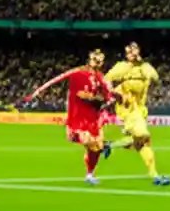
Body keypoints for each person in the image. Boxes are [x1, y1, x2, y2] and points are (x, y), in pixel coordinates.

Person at [25, 49, 116, 185]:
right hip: (77, 118)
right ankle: (103, 147)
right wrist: (37, 92)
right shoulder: (78, 73)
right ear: (90, 59)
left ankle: (90, 174)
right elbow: (58, 81)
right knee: (90, 142)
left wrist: (107, 100)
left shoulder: (101, 77)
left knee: (95, 149)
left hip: (93, 118)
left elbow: (109, 96)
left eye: (100, 60)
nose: (97, 62)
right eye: (95, 59)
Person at [104, 42, 170, 187]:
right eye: (129, 51)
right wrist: (115, 94)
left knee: (143, 143)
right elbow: (106, 80)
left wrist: (142, 68)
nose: (132, 53)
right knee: (143, 136)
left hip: (140, 109)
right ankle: (112, 145)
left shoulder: (145, 67)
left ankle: (155, 175)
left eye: (134, 50)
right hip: (128, 109)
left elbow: (155, 77)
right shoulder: (121, 67)